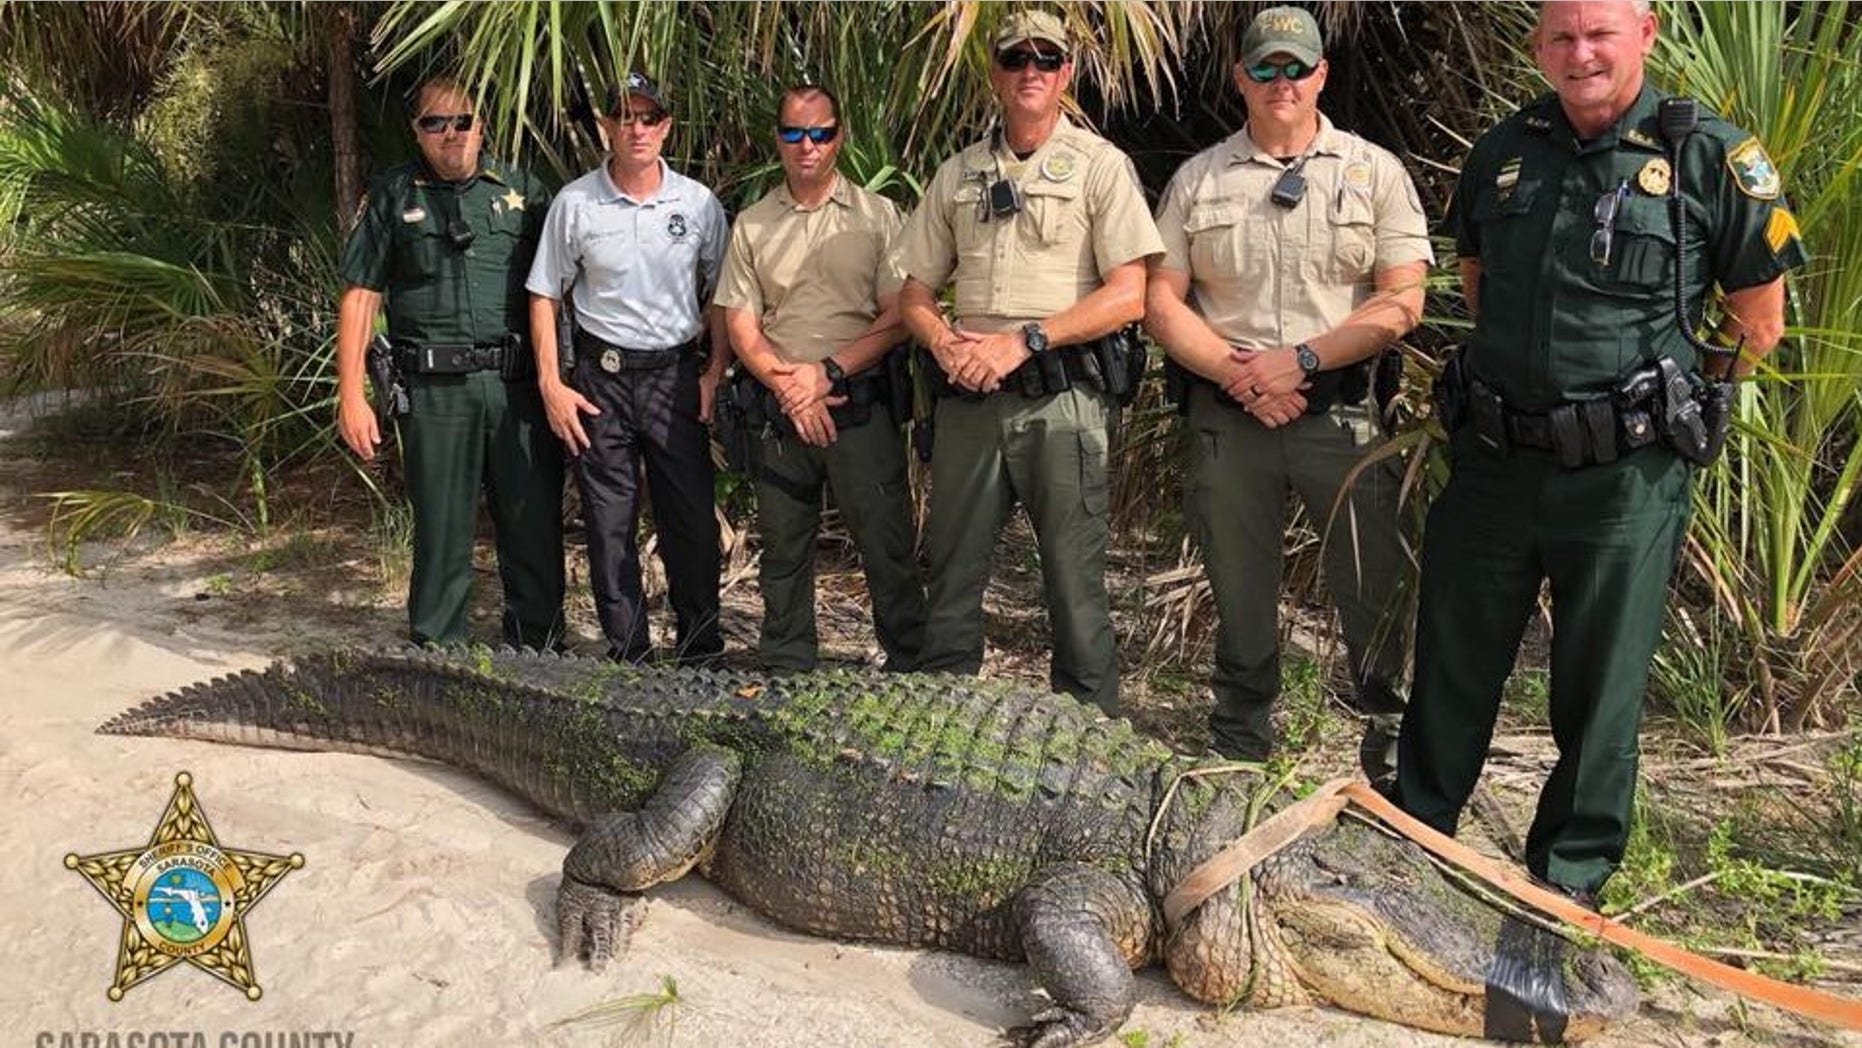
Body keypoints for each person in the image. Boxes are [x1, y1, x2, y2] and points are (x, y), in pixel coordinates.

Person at [1395, 0, 1805, 906]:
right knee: (1452, 663)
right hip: (1498, 461)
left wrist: (1653, 401)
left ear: (1645, 34)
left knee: (1600, 683)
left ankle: (1563, 884)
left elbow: (1758, 321)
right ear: (1540, 46)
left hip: (1625, 477)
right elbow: (1479, 282)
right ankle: (1413, 841)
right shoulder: (1501, 153)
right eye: (1563, 37)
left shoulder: (1711, 159)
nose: (1581, 53)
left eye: (1601, 34)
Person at [1145, 6, 1432, 783]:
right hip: (1230, 413)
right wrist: (1239, 372)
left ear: (1321, 75)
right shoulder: (1198, 180)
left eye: (1295, 67)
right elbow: (1162, 301)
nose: (1282, 81)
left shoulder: (1374, 173)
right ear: (1240, 77)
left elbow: (1403, 298)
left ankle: (1388, 730)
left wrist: (1300, 359)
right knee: (1238, 579)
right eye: (1265, 67)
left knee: (1374, 579)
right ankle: (1240, 736)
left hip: (1339, 414)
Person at [895, 11, 1163, 716]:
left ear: (1066, 73)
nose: (1031, 70)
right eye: (1016, 57)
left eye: (1047, 58)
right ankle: (941, 717)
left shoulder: (1100, 167)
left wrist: (1027, 340)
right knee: (952, 572)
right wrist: (944, 341)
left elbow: (1130, 293)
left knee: (1074, 580)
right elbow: (914, 292)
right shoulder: (958, 173)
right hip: (970, 402)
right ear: (995, 71)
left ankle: (1088, 728)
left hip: (1062, 402)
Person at [334, 76, 565, 650]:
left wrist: (559, 378)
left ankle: (540, 651)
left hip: (517, 389)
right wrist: (351, 393)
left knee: (531, 523)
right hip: (435, 394)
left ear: (481, 125)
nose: (451, 133)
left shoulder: (523, 191)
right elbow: (361, 293)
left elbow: (559, 288)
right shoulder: (394, 195)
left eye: (462, 120)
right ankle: (438, 654)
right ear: (417, 131)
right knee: (441, 529)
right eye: (435, 123)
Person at [714, 85, 927, 674]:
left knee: (885, 545)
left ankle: (911, 668)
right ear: (777, 138)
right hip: (780, 410)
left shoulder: (879, 216)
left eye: (820, 133)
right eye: (792, 133)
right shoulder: (753, 224)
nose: (806, 146)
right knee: (783, 550)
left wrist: (828, 372)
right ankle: (785, 668)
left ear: (839, 137)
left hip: (857, 405)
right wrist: (787, 385)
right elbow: (741, 323)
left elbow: (898, 315)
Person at [525, 72, 730, 666]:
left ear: (665, 126)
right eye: (624, 117)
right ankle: (629, 656)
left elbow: (723, 293)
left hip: (675, 379)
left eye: (649, 117)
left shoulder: (695, 204)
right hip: (602, 383)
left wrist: (714, 371)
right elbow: (544, 294)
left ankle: (700, 653)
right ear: (606, 127)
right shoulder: (576, 203)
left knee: (689, 519)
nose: (636, 128)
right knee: (609, 525)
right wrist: (551, 385)